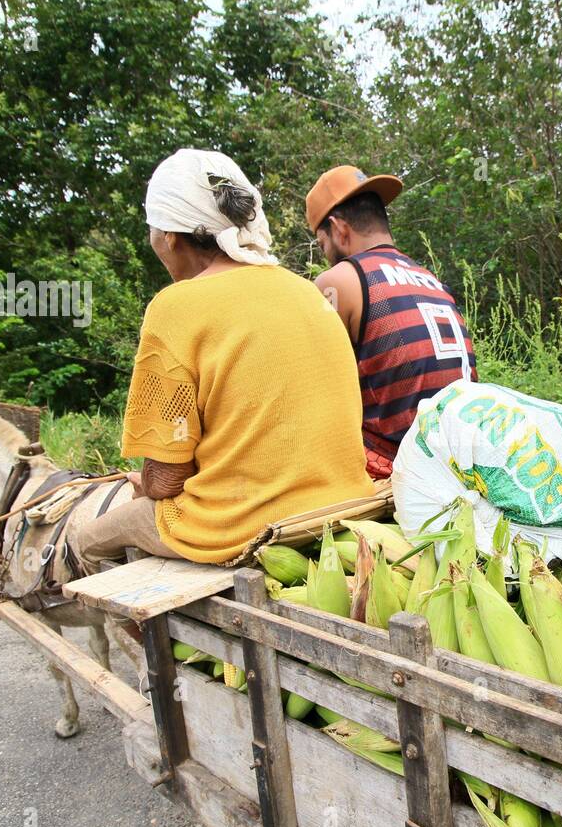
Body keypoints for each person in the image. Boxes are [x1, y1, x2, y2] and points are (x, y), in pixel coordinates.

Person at [72, 149, 375, 571]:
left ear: (170, 237)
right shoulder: (307, 291)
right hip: (347, 500)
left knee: (86, 541)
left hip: (247, 526)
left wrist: (147, 485)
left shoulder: (175, 306)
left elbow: (166, 479)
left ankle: (137, 639)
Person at [307, 165, 478, 478]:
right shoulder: (431, 280)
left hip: (401, 468)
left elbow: (315, 391)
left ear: (339, 229)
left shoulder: (339, 281)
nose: (325, 255)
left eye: (322, 245)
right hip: (463, 459)